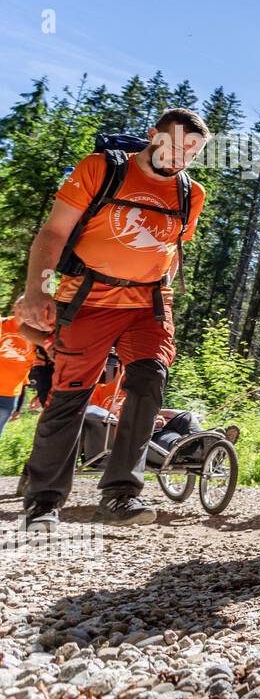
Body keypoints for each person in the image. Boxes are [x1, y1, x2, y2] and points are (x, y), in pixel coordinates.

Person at [14, 108, 209, 531]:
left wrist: (161, 287)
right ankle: (44, 502)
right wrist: (37, 292)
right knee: (71, 395)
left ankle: (121, 495)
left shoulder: (191, 193)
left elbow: (172, 247)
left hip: (149, 304)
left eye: (191, 151)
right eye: (174, 144)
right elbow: (53, 233)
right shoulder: (101, 169)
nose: (180, 156)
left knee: (149, 381)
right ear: (152, 136)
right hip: (88, 298)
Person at [0, 305, 38, 439]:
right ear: (13, 308)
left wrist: (19, 406)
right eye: (21, 305)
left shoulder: (37, 335)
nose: (25, 309)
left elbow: (24, 376)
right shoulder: (2, 325)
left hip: (8, 398)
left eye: (28, 305)